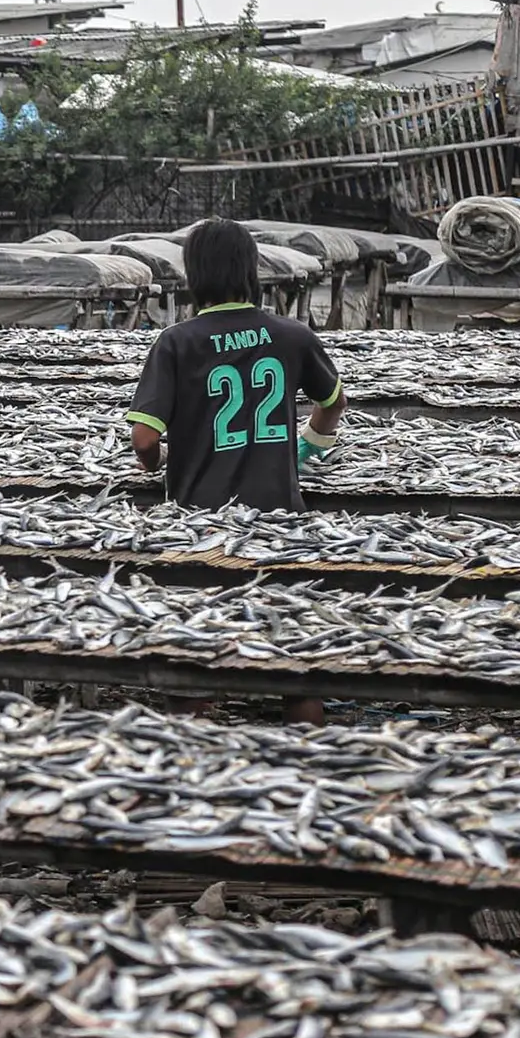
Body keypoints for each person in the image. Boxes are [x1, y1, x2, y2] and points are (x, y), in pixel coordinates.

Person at [127, 217, 349, 724]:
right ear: (251, 271)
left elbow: (144, 437)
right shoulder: (292, 335)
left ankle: (198, 754)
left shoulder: (177, 342)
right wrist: (309, 446)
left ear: (194, 275)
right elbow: (333, 401)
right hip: (279, 517)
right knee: (290, 652)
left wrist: (153, 463)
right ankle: (310, 754)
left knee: (195, 643)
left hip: (197, 521)